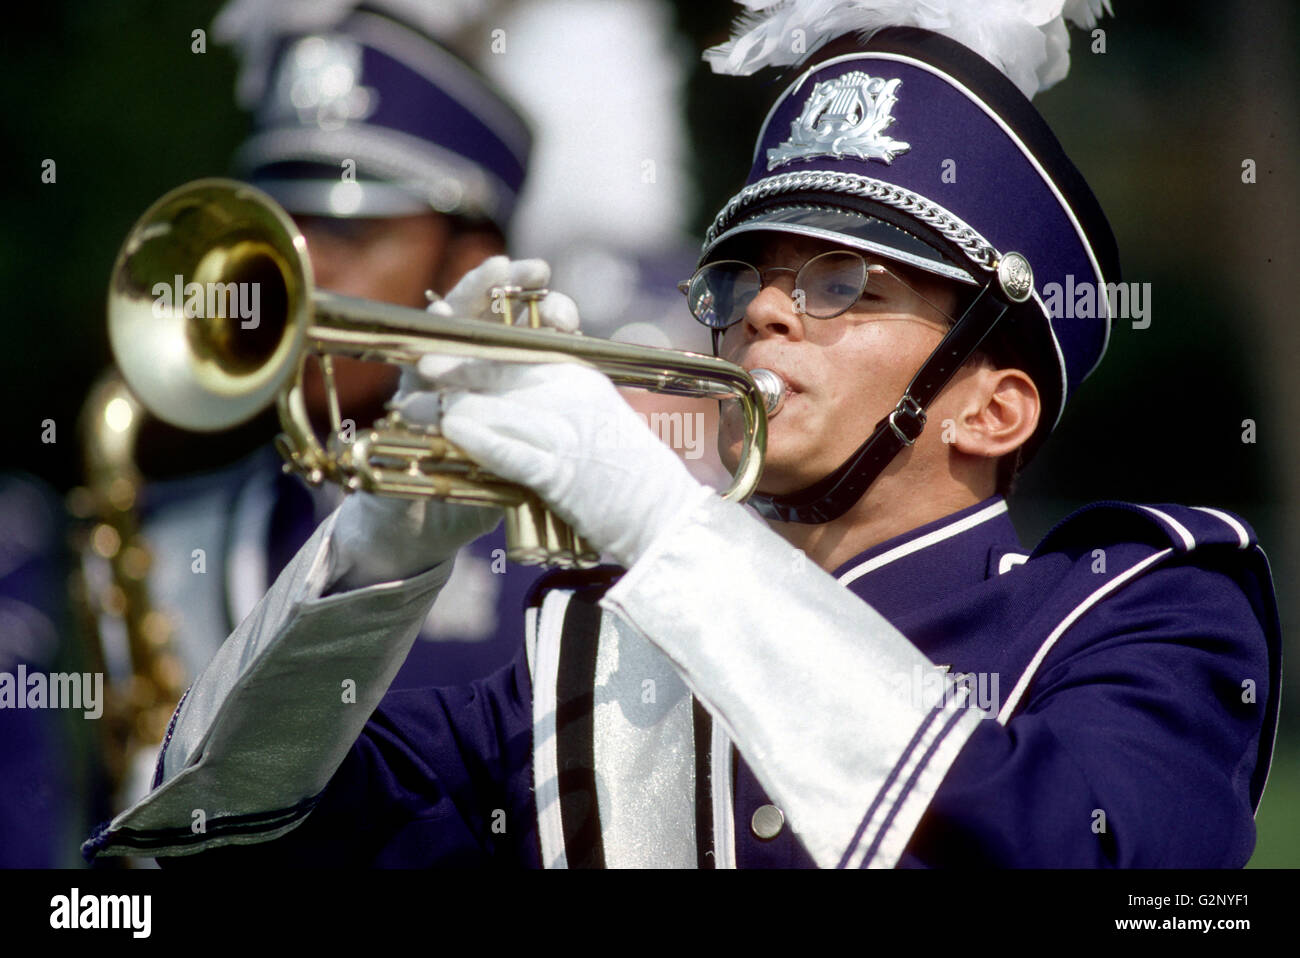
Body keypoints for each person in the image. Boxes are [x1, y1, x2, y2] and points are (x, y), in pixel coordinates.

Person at [84, 2, 1280, 868]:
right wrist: (377, 552)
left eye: (843, 281)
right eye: (744, 280)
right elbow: (198, 835)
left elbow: (1092, 857)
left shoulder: (1144, 608)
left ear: (991, 407)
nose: (760, 308)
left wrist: (664, 521)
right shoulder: (579, 673)